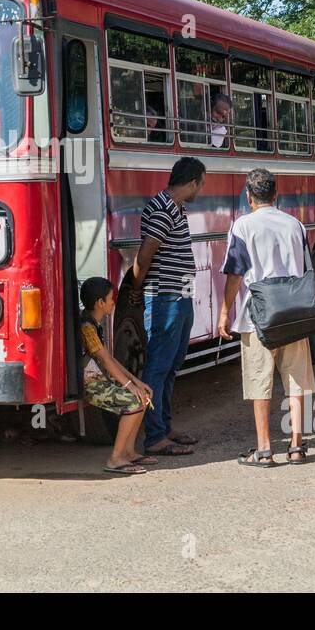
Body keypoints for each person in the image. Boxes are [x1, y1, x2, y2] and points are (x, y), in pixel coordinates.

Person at [217, 167, 315, 467]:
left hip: (258, 315)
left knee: (261, 381)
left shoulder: (242, 226)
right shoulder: (295, 225)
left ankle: (264, 450)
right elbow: (306, 268)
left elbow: (235, 274)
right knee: (296, 380)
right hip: (295, 313)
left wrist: (224, 311)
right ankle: (297, 447)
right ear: (276, 195)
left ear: (248, 197)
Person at [131, 156, 207, 456]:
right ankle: (154, 436)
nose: (201, 189)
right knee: (158, 367)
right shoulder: (163, 209)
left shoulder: (176, 207)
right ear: (192, 183)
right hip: (165, 298)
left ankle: (164, 425)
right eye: (201, 183)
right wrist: (137, 290)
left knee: (172, 365)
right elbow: (146, 253)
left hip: (180, 296)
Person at [76, 277, 155, 474]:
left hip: (97, 381)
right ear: (100, 303)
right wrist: (130, 386)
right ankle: (115, 458)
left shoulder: (92, 322)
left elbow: (110, 359)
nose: (113, 302)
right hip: (90, 385)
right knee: (135, 403)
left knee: (142, 397)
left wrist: (137, 382)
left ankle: (128, 452)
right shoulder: (87, 327)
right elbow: (106, 361)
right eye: (111, 299)